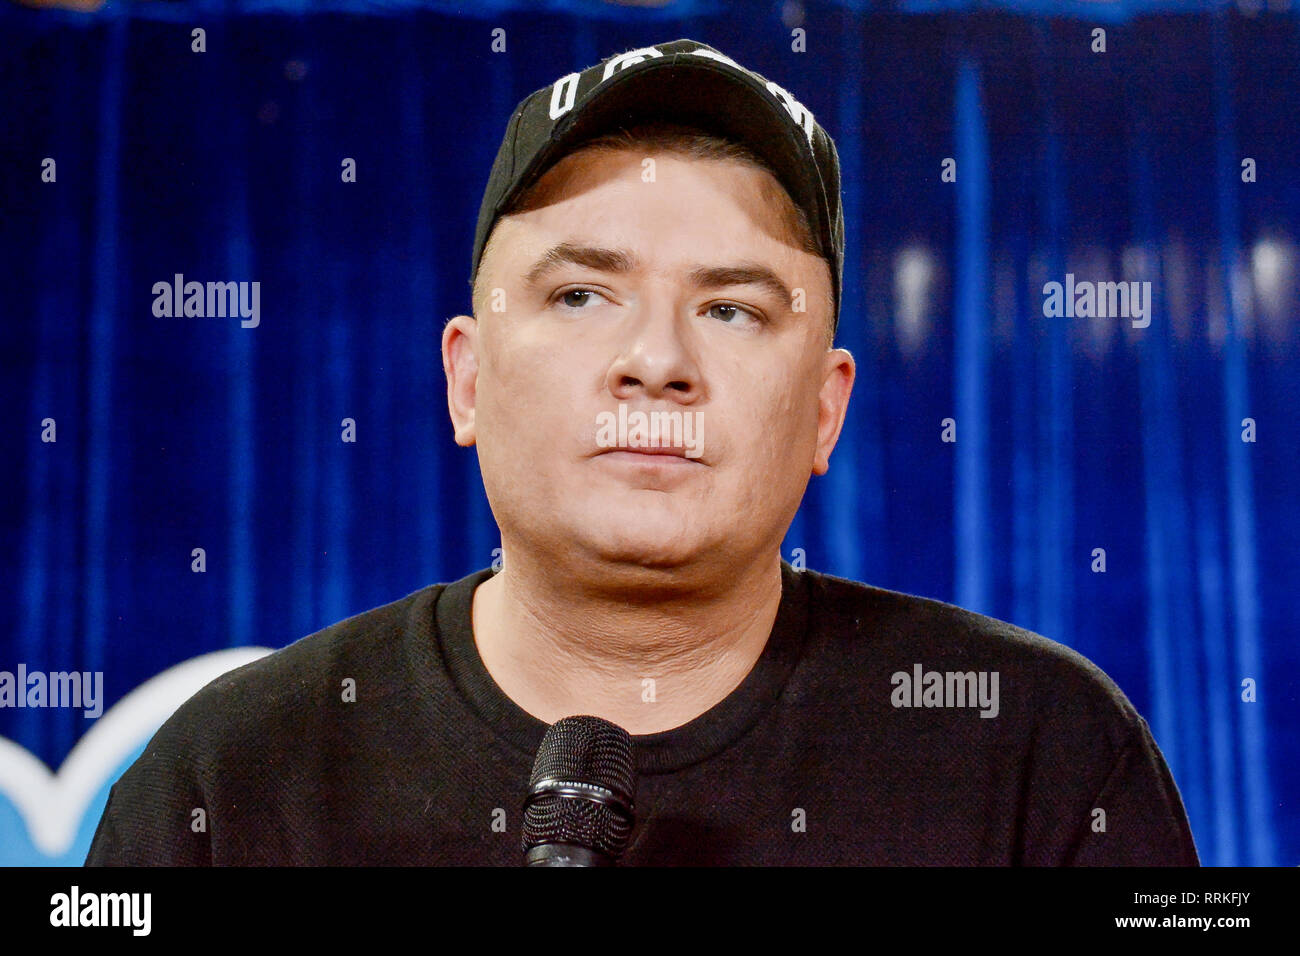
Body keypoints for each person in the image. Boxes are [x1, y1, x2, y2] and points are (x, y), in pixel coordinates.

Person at [86, 38, 1198, 866]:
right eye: (580, 294)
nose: (655, 359)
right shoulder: (228, 779)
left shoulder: (1039, 751)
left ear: (823, 407)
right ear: (466, 377)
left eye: (731, 309)